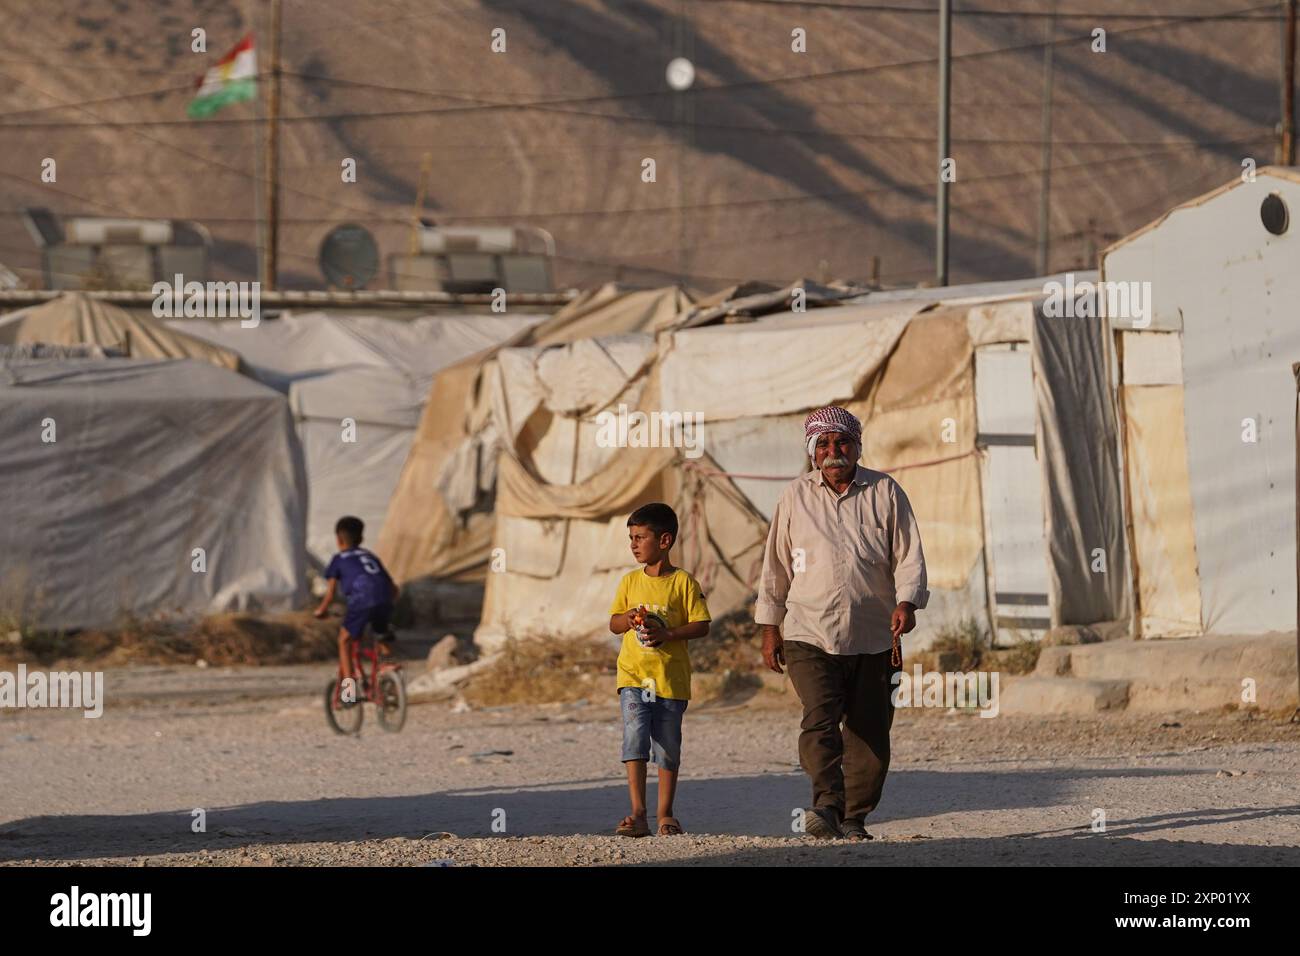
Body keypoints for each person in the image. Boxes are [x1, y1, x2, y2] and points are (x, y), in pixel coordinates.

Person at [755, 406, 929, 841]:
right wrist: (769, 627)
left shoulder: (885, 492)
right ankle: (827, 806)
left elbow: (909, 556)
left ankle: (854, 818)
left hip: (873, 634)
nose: (834, 451)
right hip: (807, 632)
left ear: (857, 446)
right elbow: (775, 567)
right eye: (825, 444)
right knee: (819, 718)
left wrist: (906, 603)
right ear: (813, 451)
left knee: (870, 730)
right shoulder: (794, 497)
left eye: (842, 442)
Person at [607, 502, 711, 838]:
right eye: (631, 538)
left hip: (670, 680)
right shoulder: (629, 582)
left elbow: (701, 625)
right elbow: (613, 623)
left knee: (667, 747)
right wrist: (629, 619)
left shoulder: (683, 583)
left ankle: (665, 813)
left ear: (664, 541)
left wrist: (667, 634)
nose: (634, 544)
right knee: (635, 735)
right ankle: (637, 813)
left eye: (640, 537)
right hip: (634, 677)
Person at [314, 516, 400, 685]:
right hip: (384, 599)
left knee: (344, 640)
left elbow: (330, 594)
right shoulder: (371, 556)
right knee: (381, 632)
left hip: (360, 601)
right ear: (361, 539)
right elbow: (393, 588)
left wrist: (321, 610)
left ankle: (349, 693)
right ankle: (387, 668)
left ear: (338, 539)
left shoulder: (339, 559)